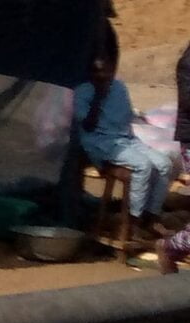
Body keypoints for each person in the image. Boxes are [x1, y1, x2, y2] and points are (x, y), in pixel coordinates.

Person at [73, 28, 174, 235]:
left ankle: (152, 216)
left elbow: (125, 118)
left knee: (164, 164)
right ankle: (133, 220)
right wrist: (99, 97)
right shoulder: (83, 92)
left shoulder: (119, 88)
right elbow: (88, 126)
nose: (103, 76)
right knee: (143, 166)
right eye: (98, 73)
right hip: (99, 142)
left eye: (106, 71)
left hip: (124, 139)